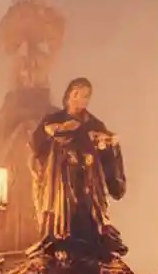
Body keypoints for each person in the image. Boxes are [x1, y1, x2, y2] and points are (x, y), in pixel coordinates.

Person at [29, 77, 127, 261]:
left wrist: (107, 145)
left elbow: (106, 151)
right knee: (65, 210)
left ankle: (93, 239)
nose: (82, 100)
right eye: (78, 95)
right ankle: (61, 240)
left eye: (86, 96)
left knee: (88, 208)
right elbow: (37, 145)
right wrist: (56, 132)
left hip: (89, 176)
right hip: (62, 178)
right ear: (68, 96)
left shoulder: (94, 124)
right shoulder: (53, 120)